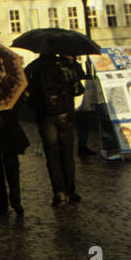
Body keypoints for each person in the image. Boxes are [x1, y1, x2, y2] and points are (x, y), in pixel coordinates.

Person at [25, 52, 82, 205]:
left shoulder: (32, 68)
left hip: (45, 117)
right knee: (67, 153)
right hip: (65, 114)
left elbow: (26, 95)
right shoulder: (65, 66)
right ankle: (71, 190)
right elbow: (78, 90)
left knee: (52, 154)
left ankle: (59, 192)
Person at [0, 96, 28, 214]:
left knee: (11, 166)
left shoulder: (6, 84)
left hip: (8, 127)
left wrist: (6, 112)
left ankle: (14, 201)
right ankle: (3, 202)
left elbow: (19, 100)